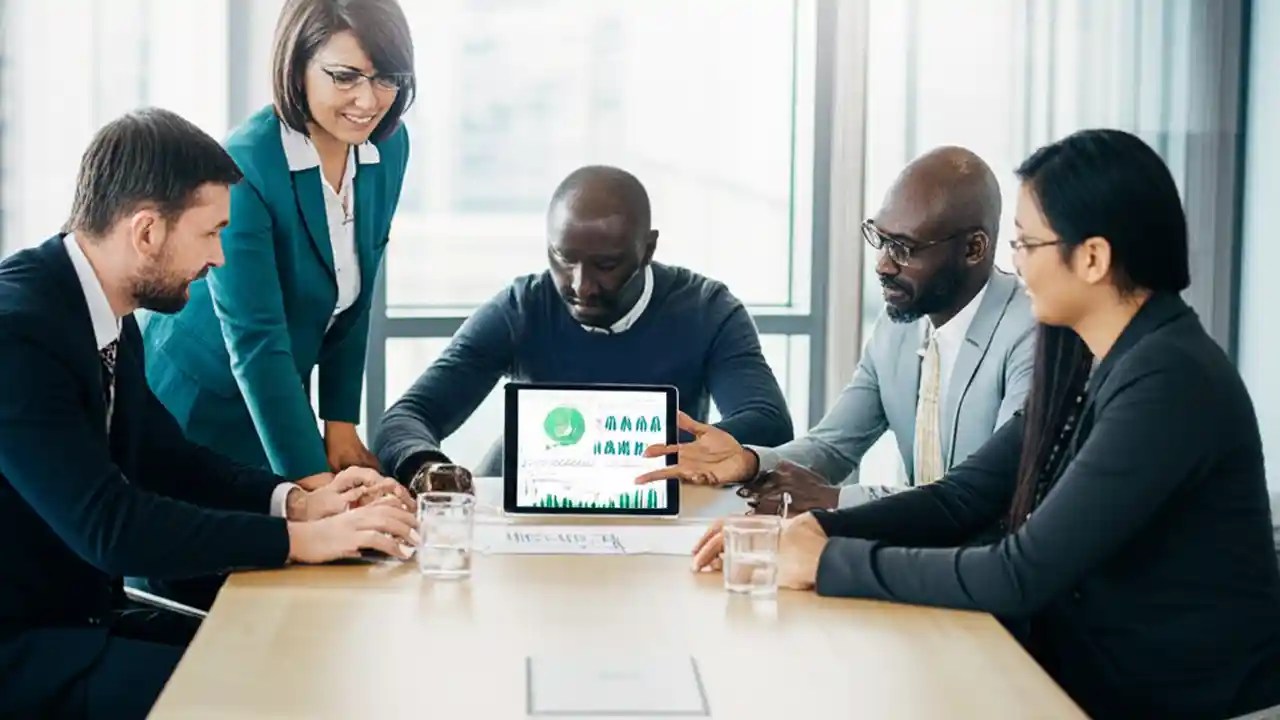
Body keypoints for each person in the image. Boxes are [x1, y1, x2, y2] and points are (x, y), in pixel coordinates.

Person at [682, 130, 1280, 719]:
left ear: (1092, 258)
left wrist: (825, 561)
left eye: (1025, 245)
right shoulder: (1085, 355)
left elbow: (1020, 571)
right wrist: (816, 528)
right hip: (1089, 678)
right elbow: (964, 495)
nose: (1013, 265)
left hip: (1186, 702)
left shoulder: (1168, 380)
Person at [0, 108, 418, 720]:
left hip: (81, 616)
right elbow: (111, 528)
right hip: (29, 648)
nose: (221, 256)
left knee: (290, 658)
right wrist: (302, 541)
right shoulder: (17, 336)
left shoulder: (107, 311)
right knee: (261, 697)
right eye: (210, 233)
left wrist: (297, 502)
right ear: (146, 232)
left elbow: (170, 460)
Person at [638, 147, 1033, 515]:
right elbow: (833, 445)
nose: (882, 265)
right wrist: (750, 461)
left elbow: (988, 495)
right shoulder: (900, 327)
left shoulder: (1029, 334)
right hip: (918, 551)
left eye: (904, 249)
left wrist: (837, 500)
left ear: (973, 250)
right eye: (880, 239)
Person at [374, 165, 794, 485]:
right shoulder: (521, 308)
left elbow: (768, 422)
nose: (581, 286)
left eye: (606, 265)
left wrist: (624, 452)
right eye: (563, 259)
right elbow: (407, 418)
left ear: (647, 249)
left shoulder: (709, 310)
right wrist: (427, 467)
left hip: (660, 518)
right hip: (529, 521)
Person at [141, 0, 414, 488]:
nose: (369, 101)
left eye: (386, 77)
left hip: (280, 398)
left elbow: (355, 290)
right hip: (200, 397)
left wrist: (340, 423)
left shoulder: (388, 147)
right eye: (345, 77)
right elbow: (256, 340)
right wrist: (316, 487)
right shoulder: (246, 164)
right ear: (297, 66)